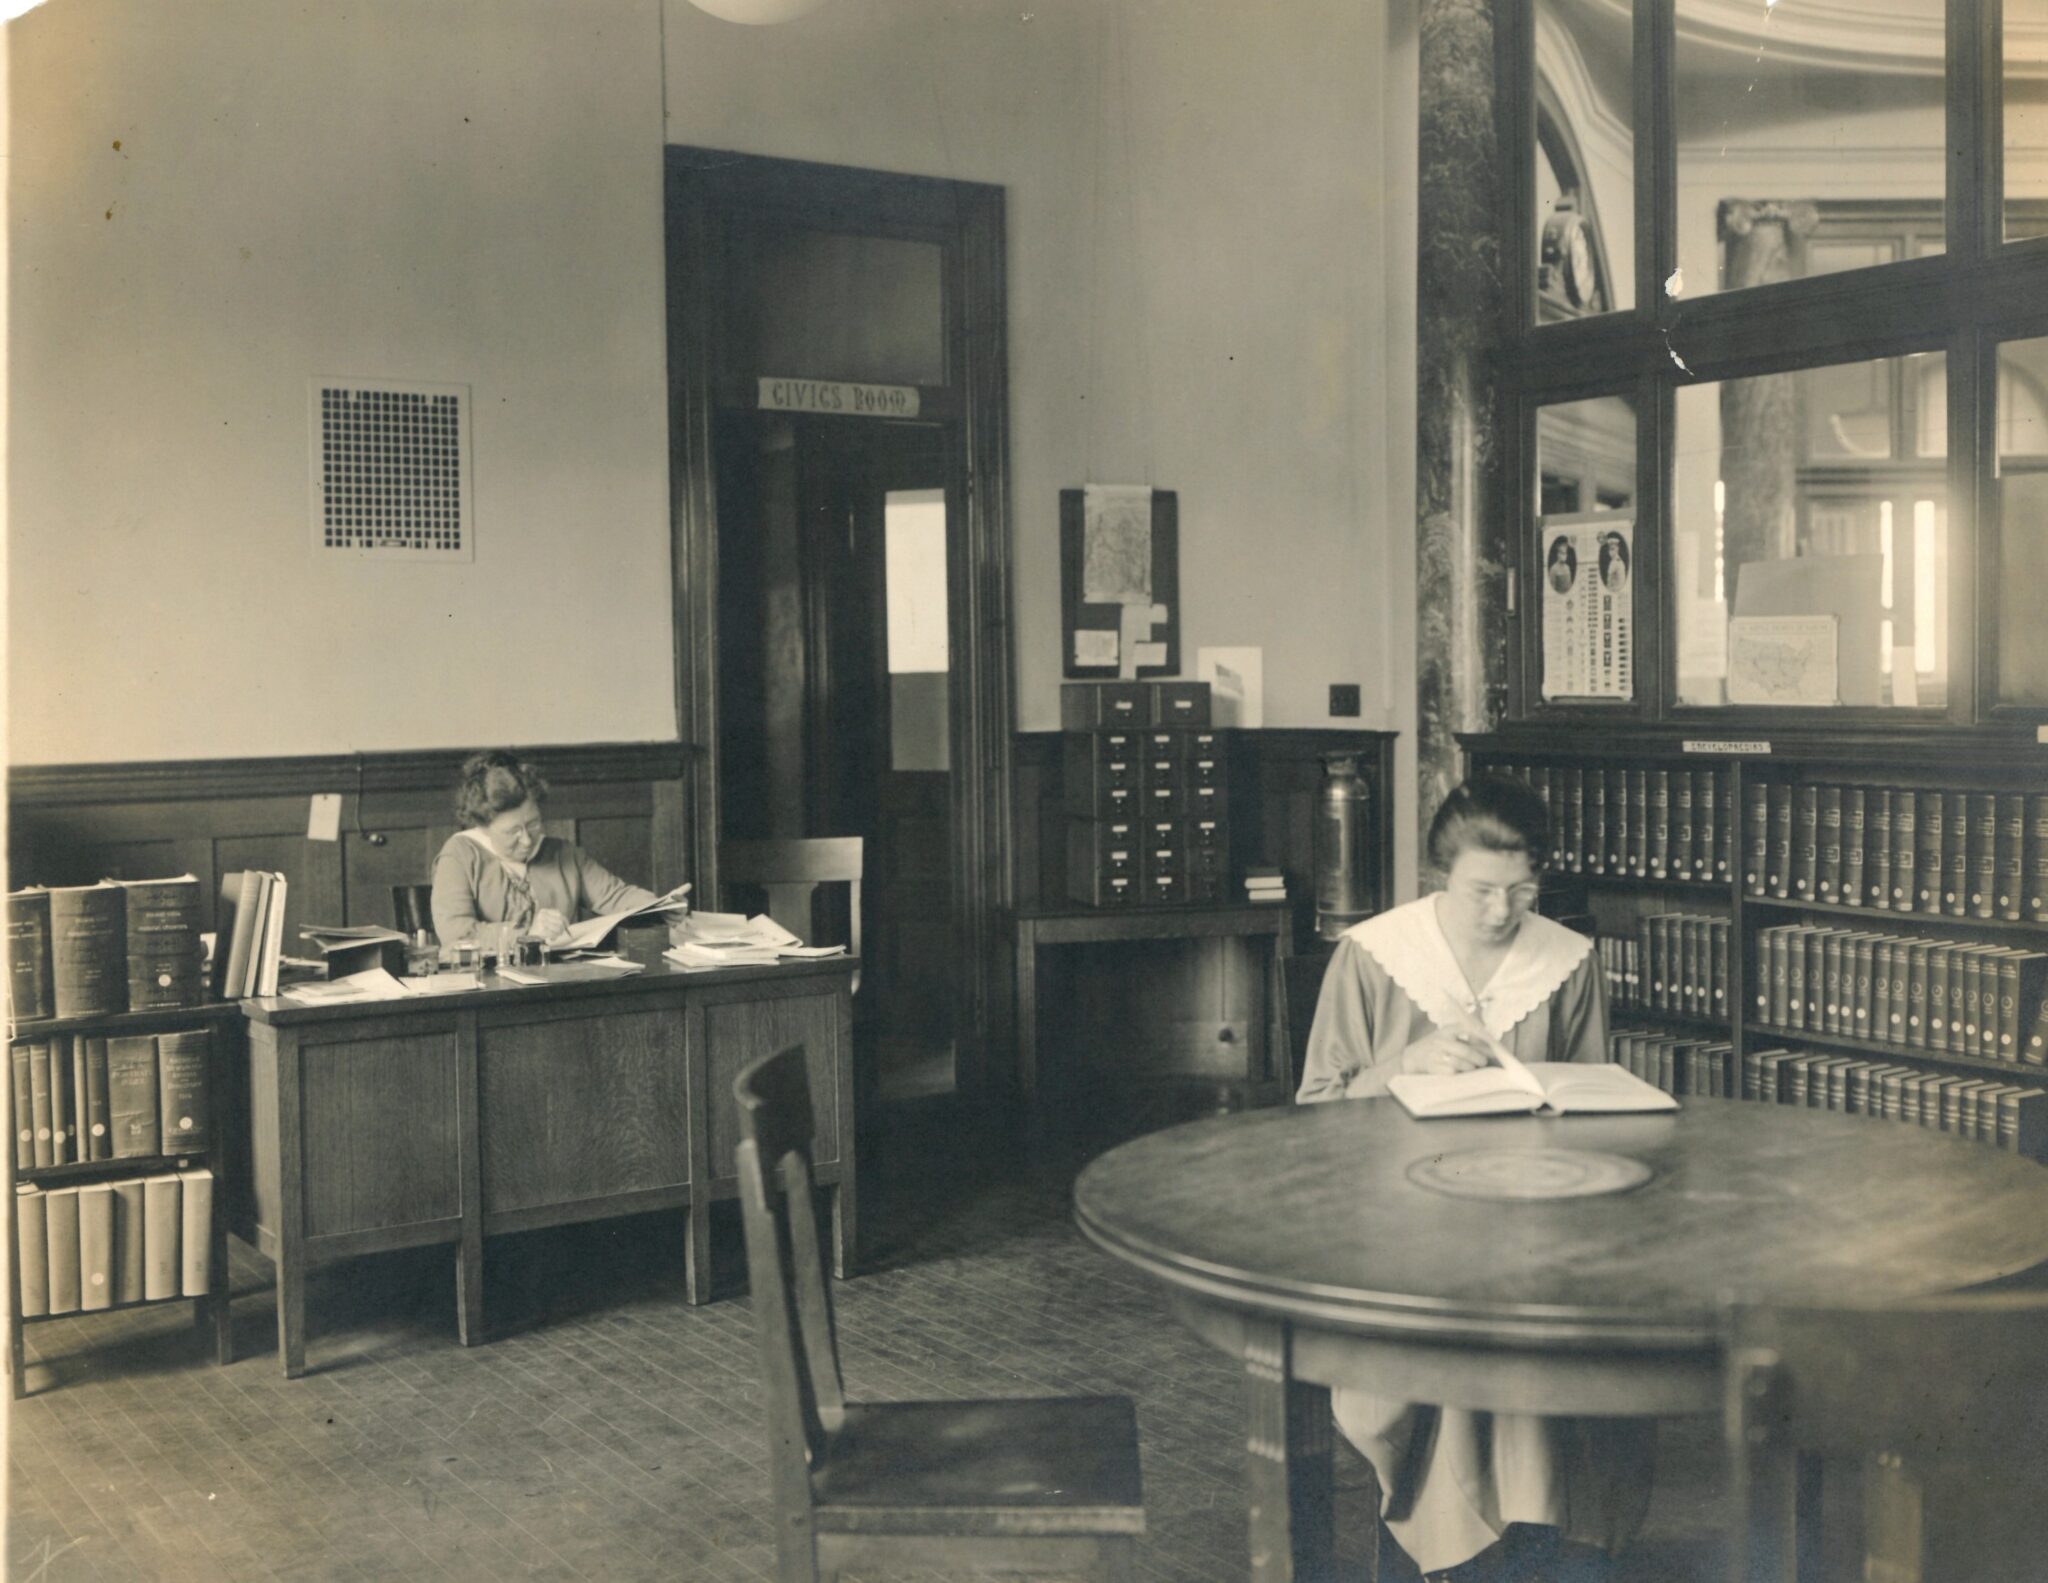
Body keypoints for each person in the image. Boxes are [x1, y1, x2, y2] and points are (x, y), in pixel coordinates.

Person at [1297, 775, 1651, 1583]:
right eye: (1480, 891)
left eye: (1521, 890)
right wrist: (1401, 1065)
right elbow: (1313, 1110)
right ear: (1438, 876)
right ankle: (1488, 1550)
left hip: (1533, 1206)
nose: (1501, 911)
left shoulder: (1566, 961)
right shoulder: (1374, 955)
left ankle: (1520, 1550)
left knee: (1541, 1311)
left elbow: (1592, 1093)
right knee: (1471, 1323)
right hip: (1394, 1208)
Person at [430, 750, 659, 945]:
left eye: (533, 824)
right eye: (513, 832)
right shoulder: (459, 855)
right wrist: (527, 933)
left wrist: (662, 908)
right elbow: (456, 933)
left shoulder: (562, 853)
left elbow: (615, 896)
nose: (528, 840)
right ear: (484, 826)